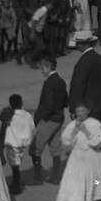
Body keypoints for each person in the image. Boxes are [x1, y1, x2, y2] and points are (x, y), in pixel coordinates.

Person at [30, 56, 68, 185]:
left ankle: (37, 177)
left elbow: (48, 105)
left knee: (35, 149)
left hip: (49, 119)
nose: (41, 71)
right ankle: (56, 177)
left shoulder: (49, 82)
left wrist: (38, 118)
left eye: (42, 68)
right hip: (59, 118)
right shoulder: (61, 81)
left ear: (49, 67)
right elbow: (66, 101)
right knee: (55, 147)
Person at [68, 31, 101, 121]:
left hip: (85, 107)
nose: (77, 45)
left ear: (83, 44)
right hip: (98, 105)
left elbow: (78, 86)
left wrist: (74, 108)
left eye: (78, 43)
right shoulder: (99, 58)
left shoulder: (84, 62)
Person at [3, 93, 34, 195]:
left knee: (14, 165)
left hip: (13, 142)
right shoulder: (27, 115)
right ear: (21, 103)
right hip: (23, 143)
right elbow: (32, 127)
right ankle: (16, 183)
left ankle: (16, 185)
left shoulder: (9, 115)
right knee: (17, 163)